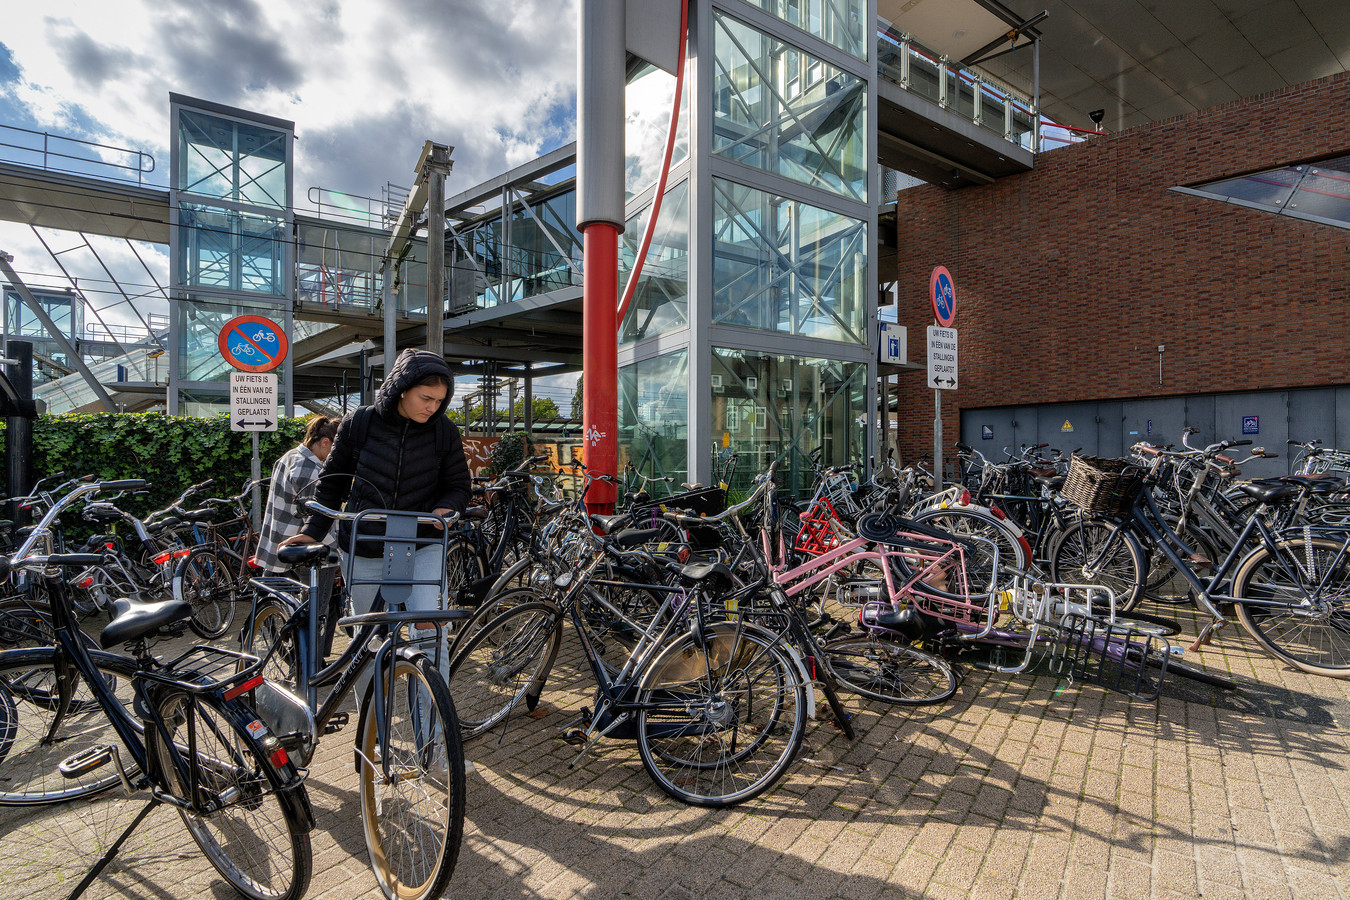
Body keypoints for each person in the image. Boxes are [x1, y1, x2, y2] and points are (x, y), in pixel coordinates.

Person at [280, 349, 471, 685]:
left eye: (440, 401)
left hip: (422, 542)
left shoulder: (444, 432)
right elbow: (332, 482)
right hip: (364, 542)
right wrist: (312, 531)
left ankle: (436, 733)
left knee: (429, 629)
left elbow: (458, 486)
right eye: (426, 398)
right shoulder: (361, 423)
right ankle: (370, 730)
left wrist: (446, 509)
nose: (433, 407)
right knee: (368, 638)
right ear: (401, 388)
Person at [253, 415, 340, 573]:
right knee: (318, 597)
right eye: (336, 449)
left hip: (280, 543)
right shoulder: (310, 470)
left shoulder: (291, 456)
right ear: (325, 442)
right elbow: (315, 518)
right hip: (305, 552)